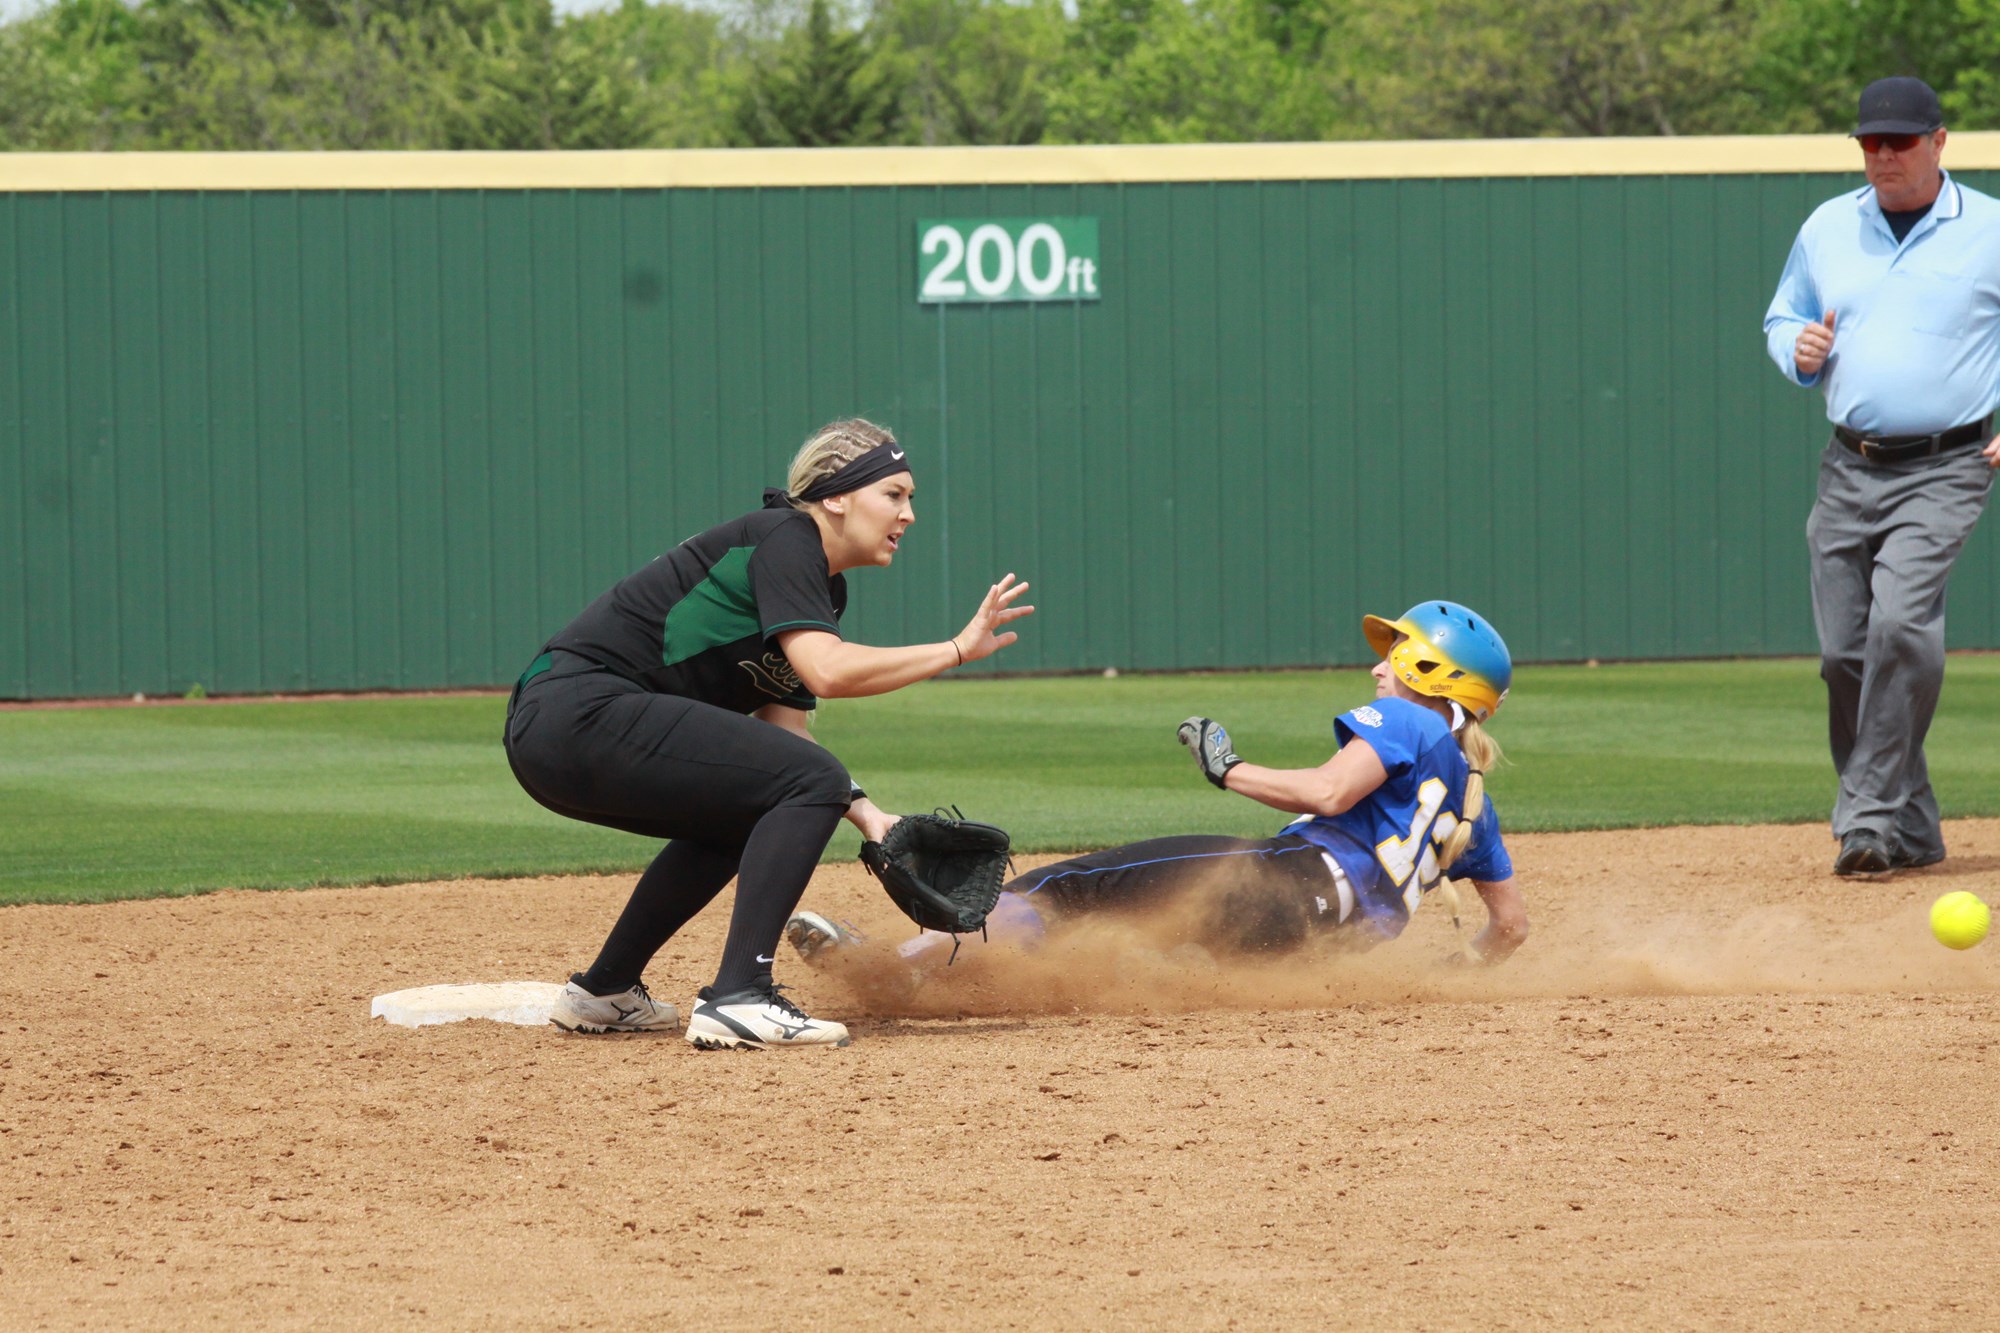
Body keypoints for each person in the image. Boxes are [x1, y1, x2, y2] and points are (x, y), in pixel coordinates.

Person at [503, 418, 1032, 1049]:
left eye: (909, 498)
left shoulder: (818, 584)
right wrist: (954, 650)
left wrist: (869, 816)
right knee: (804, 783)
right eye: (893, 494)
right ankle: (739, 997)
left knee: (747, 807)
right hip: (577, 710)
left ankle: (605, 991)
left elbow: (786, 736)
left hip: (565, 730)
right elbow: (827, 672)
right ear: (836, 496)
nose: (908, 513)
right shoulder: (788, 536)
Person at [788, 601, 1528, 977]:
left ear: (1434, 675)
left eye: (1398, 656)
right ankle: (968, 980)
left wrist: (1228, 769)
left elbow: (1332, 792)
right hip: (1318, 948)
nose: (1380, 668)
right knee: (1125, 937)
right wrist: (1449, 975)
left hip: (1283, 883)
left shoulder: (1406, 719)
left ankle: (899, 969)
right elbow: (1512, 928)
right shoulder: (1474, 798)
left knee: (1068, 891)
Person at [1762, 75, 2000, 878]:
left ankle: (1864, 817)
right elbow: (1784, 312)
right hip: (1848, 463)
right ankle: (1915, 823)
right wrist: (1794, 348)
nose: (1884, 155)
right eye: (1871, 142)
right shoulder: (1831, 226)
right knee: (1844, 657)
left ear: (1940, 142)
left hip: (1949, 463)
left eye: (1900, 140)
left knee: (1902, 627)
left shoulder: (1989, 230)